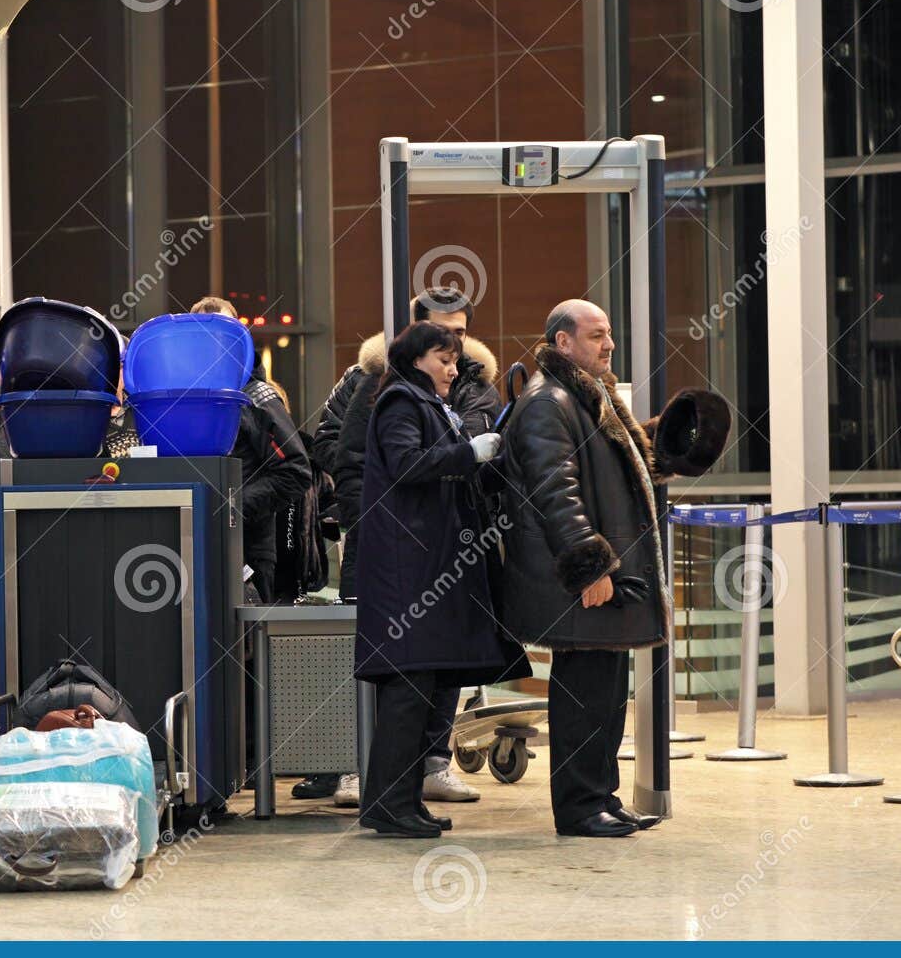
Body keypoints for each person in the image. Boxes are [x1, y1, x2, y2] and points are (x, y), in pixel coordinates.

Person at [500, 299, 729, 838]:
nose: (608, 345)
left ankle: (601, 796)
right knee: (584, 695)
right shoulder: (546, 402)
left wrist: (671, 440)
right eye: (597, 335)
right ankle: (579, 808)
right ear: (563, 342)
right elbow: (557, 493)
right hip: (577, 581)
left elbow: (619, 463)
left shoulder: (587, 396)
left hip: (606, 578)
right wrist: (590, 567)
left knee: (604, 692)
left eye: (609, 335)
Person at [307, 287, 500, 807]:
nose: (454, 351)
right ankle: (372, 780)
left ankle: (424, 773)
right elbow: (359, 459)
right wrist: (366, 525)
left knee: (435, 669)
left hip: (444, 550)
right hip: (399, 553)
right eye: (443, 341)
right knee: (399, 674)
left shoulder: (472, 386)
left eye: (459, 335)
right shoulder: (383, 389)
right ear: (415, 341)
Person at [353, 321, 526, 837]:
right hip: (409, 574)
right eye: (442, 358)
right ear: (413, 360)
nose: (452, 369)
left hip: (425, 569)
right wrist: (469, 452)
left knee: (420, 689)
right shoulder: (402, 402)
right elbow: (407, 466)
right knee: (408, 690)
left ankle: (402, 801)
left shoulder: (426, 403)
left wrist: (487, 459)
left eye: (453, 360)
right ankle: (387, 805)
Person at [188, 297, 310, 602]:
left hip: (247, 552)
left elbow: (295, 471)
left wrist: (233, 508)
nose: (212, 344)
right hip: (192, 542)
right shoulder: (185, 397)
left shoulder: (256, 398)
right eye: (201, 334)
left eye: (222, 334)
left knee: (245, 645)